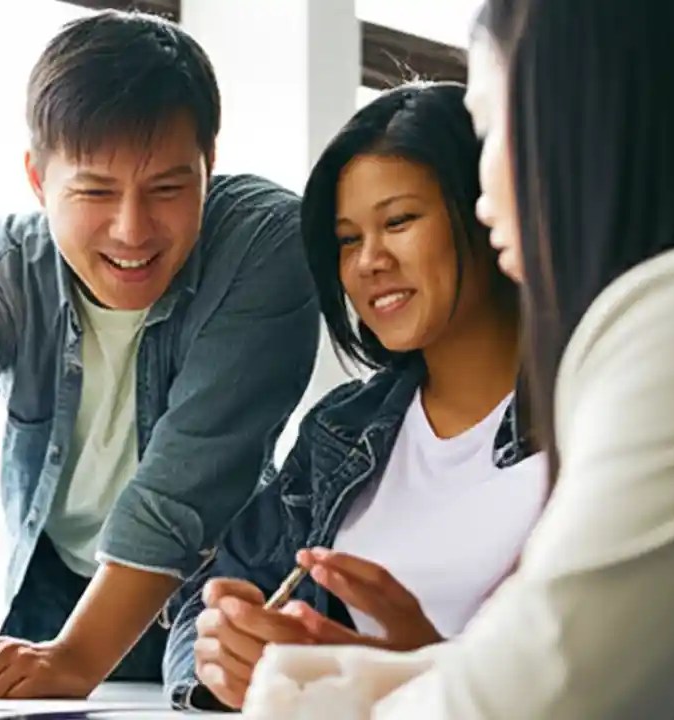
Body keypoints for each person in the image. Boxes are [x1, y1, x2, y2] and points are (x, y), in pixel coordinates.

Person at [0, 10, 320, 698]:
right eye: (95, 191)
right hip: (56, 590)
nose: (132, 231)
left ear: (209, 165)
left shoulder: (265, 242)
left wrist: (75, 659)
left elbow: (186, 482)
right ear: (38, 180)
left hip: (216, 588)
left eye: (167, 188)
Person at [242, 1, 674, 717]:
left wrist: (319, 698)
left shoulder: (667, 336)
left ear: (574, 118)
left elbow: (548, 681)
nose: (485, 196)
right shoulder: (343, 427)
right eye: (347, 239)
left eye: (487, 129)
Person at [164, 82, 546, 711]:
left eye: (398, 222)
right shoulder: (342, 430)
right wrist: (222, 659)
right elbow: (207, 606)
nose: (369, 261)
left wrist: (426, 673)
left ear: (489, 212)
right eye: (346, 240)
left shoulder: (597, 411)